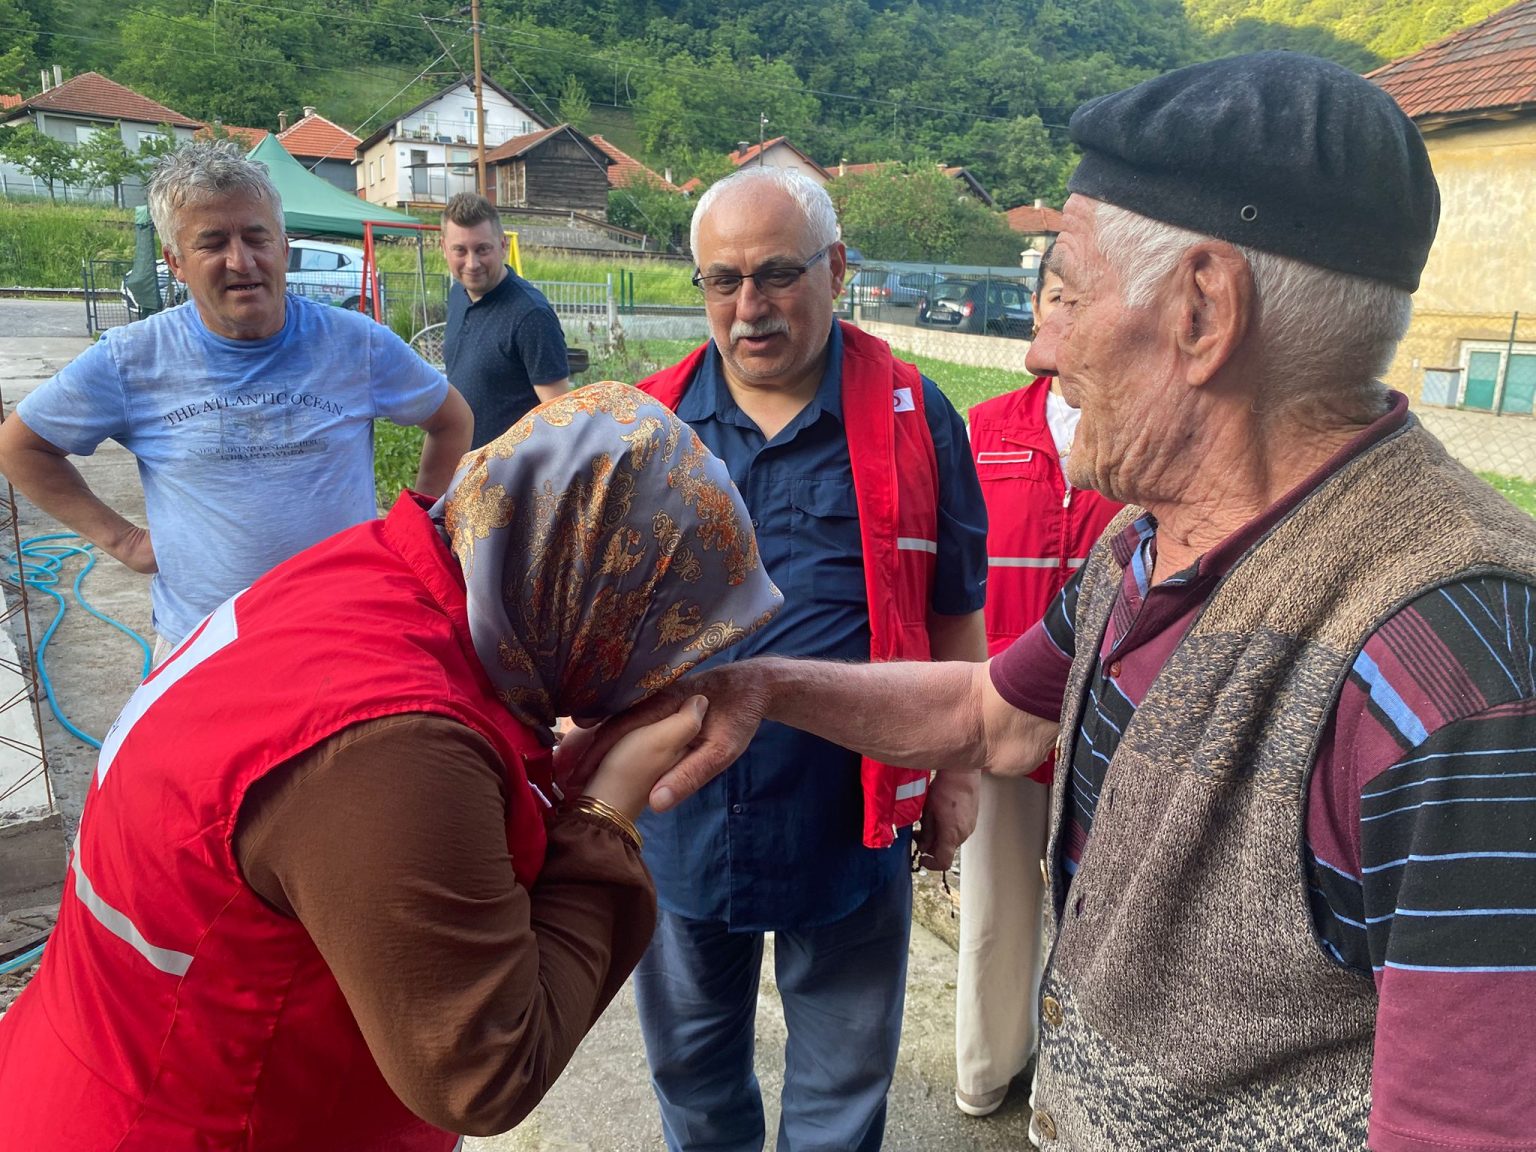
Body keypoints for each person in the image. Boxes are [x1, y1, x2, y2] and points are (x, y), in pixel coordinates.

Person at [578, 54, 1536, 1151]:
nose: (1038, 348)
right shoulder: (1144, 549)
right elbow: (990, 712)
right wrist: (765, 687)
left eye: (1067, 293)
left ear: (1203, 312)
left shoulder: (1464, 674)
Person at [0, 383, 783, 1150]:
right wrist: (608, 809)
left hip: (101, 1065)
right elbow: (489, 1071)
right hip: (202, 1123)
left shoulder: (381, 572)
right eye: (662, 637)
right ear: (593, 593)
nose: (659, 679)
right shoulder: (401, 745)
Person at [631, 164, 989, 1152]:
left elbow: (957, 613)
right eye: (722, 280)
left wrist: (956, 775)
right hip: (683, 818)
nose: (750, 307)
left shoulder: (918, 417)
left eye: (778, 274)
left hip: (851, 812)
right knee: (692, 1070)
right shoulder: (647, 427)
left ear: (835, 269)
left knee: (841, 1081)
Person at [0, 141, 474, 654]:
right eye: (212, 243)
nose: (241, 260)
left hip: (346, 631)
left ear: (284, 248)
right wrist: (125, 542)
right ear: (175, 263)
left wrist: (418, 530)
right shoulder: (133, 358)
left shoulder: (355, 343)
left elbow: (450, 419)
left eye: (256, 237)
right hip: (206, 643)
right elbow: (20, 446)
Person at [953, 244, 1123, 1119]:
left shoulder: (1138, 440)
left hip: (1110, 723)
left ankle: (1082, 1087)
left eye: (1083, 299)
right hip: (1000, 707)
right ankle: (989, 1069)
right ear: (1034, 311)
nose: (1065, 313)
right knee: (994, 907)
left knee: (1108, 922)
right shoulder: (982, 432)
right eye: (1054, 296)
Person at [441, 193, 572, 447]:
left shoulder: (531, 315)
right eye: (460, 250)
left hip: (513, 479)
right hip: (465, 470)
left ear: (503, 246)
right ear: (444, 248)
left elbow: (561, 419)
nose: (472, 263)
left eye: (482, 249)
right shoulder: (457, 294)